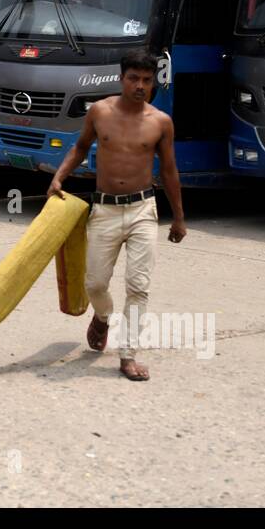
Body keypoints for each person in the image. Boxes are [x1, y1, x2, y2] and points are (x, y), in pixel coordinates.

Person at [48, 50, 186, 381]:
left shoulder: (160, 122)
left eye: (147, 80)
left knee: (139, 286)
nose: (140, 86)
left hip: (142, 209)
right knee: (94, 282)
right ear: (122, 78)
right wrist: (59, 176)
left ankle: (128, 356)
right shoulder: (100, 112)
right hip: (105, 209)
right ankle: (103, 315)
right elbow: (80, 147)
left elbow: (169, 171)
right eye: (134, 78)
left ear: (154, 83)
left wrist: (179, 218)